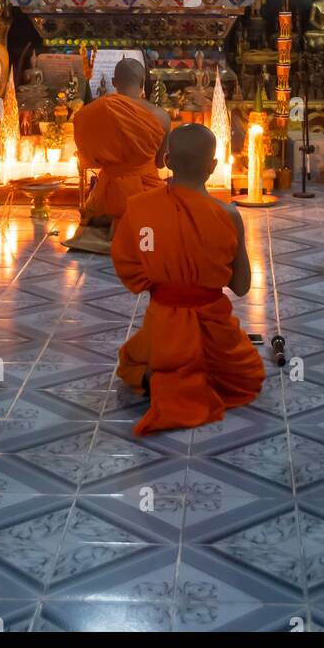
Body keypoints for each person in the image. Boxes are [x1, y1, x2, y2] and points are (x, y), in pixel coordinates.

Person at [111, 123, 265, 435]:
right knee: (249, 376)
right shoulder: (229, 215)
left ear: (166, 161)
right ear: (213, 166)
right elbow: (241, 286)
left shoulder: (142, 210)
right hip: (213, 323)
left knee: (130, 362)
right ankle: (195, 379)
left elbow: (130, 267)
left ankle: (163, 379)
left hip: (163, 325)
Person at [69, 57, 169, 252]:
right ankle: (129, 222)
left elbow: (88, 160)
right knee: (163, 218)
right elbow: (160, 163)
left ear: (114, 82)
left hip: (108, 193)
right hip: (146, 192)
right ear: (142, 84)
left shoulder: (95, 111)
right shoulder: (161, 116)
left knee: (95, 216)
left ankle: (115, 219)